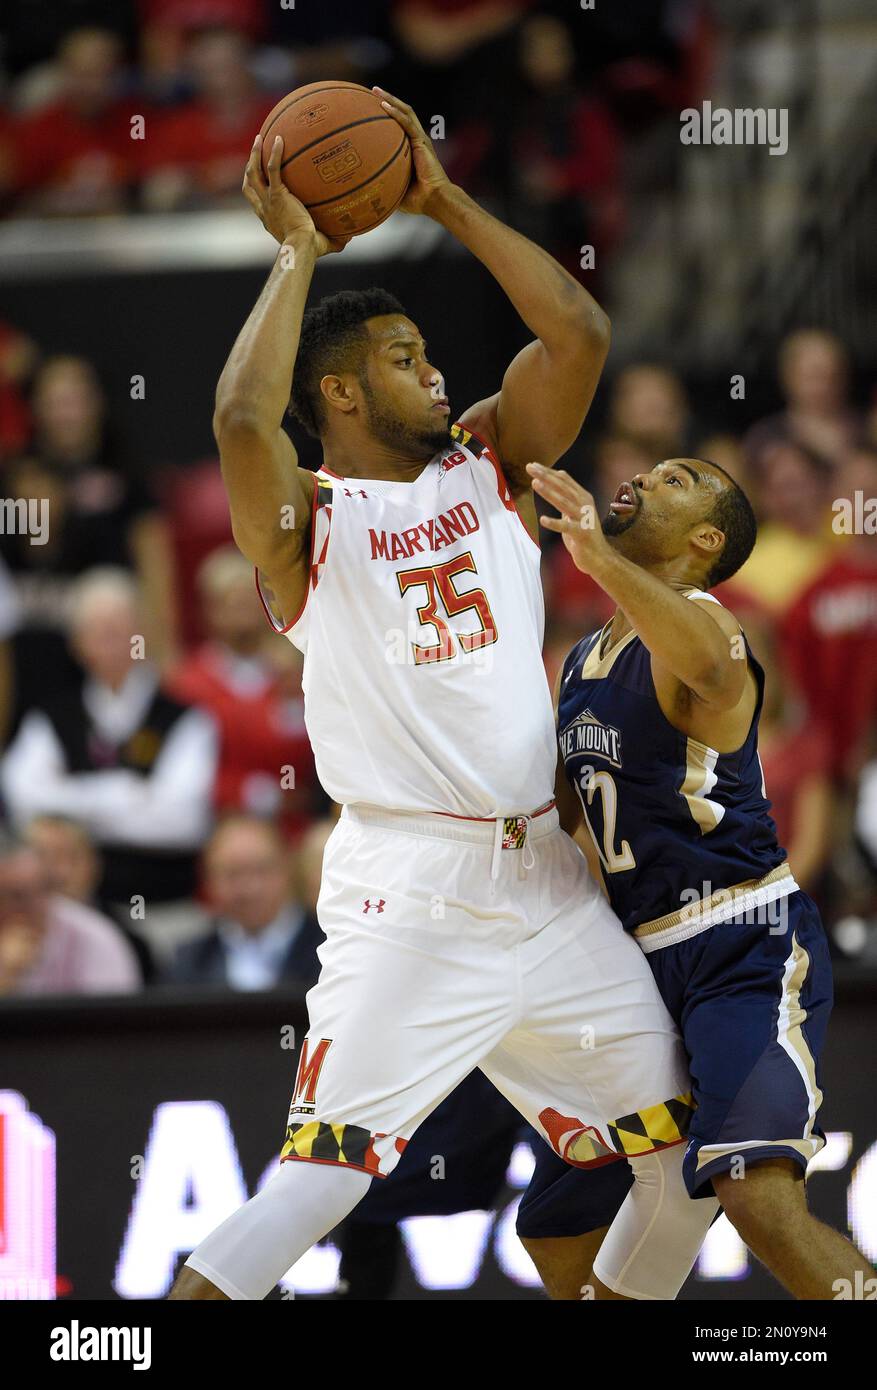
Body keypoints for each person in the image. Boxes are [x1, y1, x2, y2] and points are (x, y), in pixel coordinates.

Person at [170, 89, 716, 1301]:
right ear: (347, 397)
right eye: (404, 361)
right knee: (316, 1186)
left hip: (550, 885)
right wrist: (299, 253)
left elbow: (575, 332)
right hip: (410, 897)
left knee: (694, 1164)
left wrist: (438, 196)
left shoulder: (490, 465)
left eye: (431, 354)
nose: (436, 372)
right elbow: (237, 412)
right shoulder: (306, 521)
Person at [516, 453, 873, 1300]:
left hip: (739, 944)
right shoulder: (584, 657)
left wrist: (597, 555)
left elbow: (708, 668)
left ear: (706, 539)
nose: (648, 476)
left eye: (678, 479)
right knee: (558, 1232)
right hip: (627, 964)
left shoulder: (716, 629)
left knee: (756, 1197)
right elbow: (554, 815)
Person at [0, 567, 217, 960]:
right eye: (97, 630)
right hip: (67, 916)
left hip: (170, 913)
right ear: (78, 643)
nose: (110, 640)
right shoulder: (51, 717)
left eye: (120, 627)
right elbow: (23, 805)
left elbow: (183, 820)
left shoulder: (185, 718)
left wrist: (69, 803)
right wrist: (129, 793)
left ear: (143, 633)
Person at [166, 814, 324, 991]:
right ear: (208, 880)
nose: (249, 889)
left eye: (261, 871)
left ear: (288, 867)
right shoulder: (189, 962)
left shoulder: (330, 951)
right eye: (233, 874)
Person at [0, 832, 141, 997]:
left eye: (42, 889)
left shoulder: (94, 936)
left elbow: (115, 1016)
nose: (31, 905)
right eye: (15, 895)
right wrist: (5, 976)